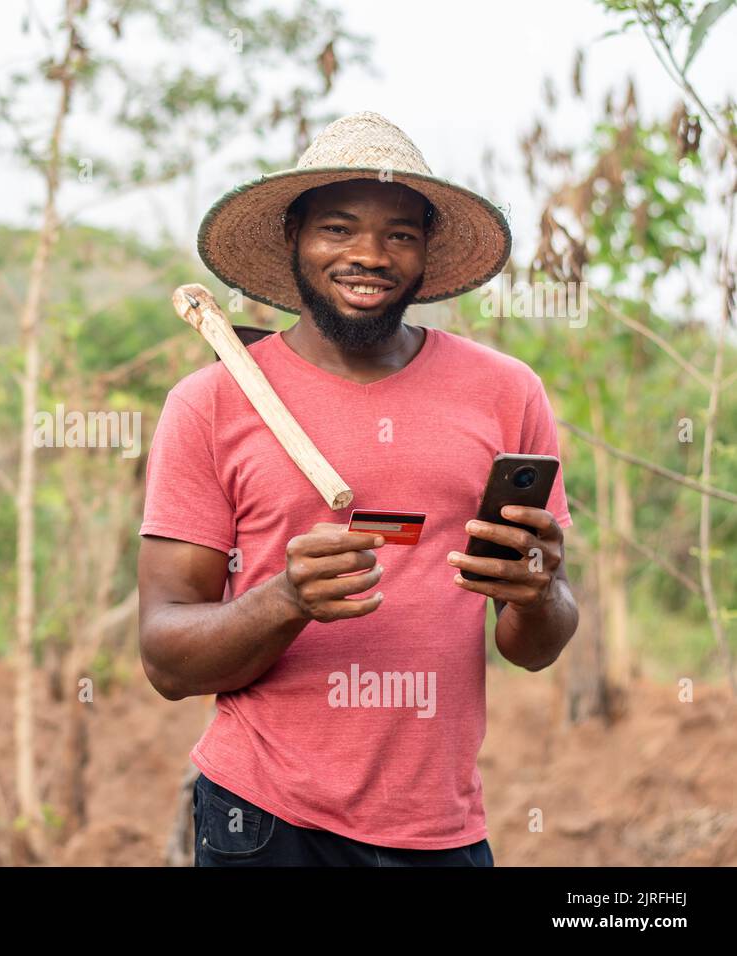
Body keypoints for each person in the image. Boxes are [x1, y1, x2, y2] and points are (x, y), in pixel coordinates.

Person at [138, 112, 579, 867]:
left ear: (426, 253)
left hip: (440, 827)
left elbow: (533, 648)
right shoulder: (211, 402)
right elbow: (166, 660)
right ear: (294, 240)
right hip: (263, 819)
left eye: (399, 235)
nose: (369, 256)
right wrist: (283, 599)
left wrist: (539, 593)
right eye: (338, 228)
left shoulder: (506, 393)